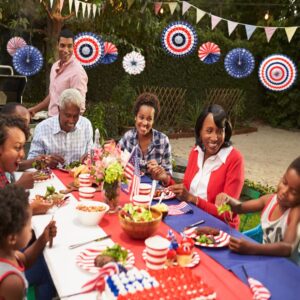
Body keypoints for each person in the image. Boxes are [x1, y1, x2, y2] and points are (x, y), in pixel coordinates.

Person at [168, 104, 244, 229]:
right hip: (191, 218)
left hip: (219, 229)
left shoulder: (234, 159)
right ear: (200, 131)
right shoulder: (196, 152)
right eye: (209, 131)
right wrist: (166, 180)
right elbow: (187, 192)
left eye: (220, 131)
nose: (215, 138)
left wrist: (194, 200)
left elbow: (227, 213)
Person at [216, 156, 300, 262]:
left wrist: (252, 248)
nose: (284, 191)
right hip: (267, 260)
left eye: (293, 192)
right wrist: (228, 200)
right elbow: (240, 208)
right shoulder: (269, 200)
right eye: (284, 182)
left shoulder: (295, 212)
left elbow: (288, 247)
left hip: (286, 269)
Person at [0, 185, 57, 299]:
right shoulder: (12, 282)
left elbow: (25, 259)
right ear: (12, 238)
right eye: (28, 225)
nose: (31, 229)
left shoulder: (8, 253)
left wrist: (43, 238)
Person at [28, 28, 88, 117]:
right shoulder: (55, 66)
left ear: (74, 47)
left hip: (65, 127)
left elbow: (80, 108)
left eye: (69, 46)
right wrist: (34, 110)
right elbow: (53, 95)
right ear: (57, 45)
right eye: (62, 45)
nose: (66, 50)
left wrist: (63, 126)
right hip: (50, 120)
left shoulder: (77, 72)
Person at [28, 88, 93, 168]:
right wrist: (44, 162)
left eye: (75, 116)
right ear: (59, 109)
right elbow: (31, 161)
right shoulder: (42, 128)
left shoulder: (86, 125)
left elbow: (91, 155)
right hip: (50, 178)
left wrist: (89, 159)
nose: (71, 121)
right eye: (68, 115)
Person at [118, 92, 172, 183]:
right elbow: (115, 164)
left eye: (149, 119)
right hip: (130, 190)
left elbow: (168, 179)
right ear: (135, 117)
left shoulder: (163, 141)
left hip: (153, 193)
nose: (144, 123)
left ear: (153, 120)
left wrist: (160, 174)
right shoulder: (127, 138)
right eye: (141, 117)